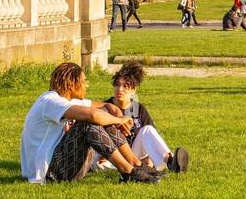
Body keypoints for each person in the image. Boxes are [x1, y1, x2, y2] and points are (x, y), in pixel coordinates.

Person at [20, 62, 162, 184]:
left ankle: (136, 164)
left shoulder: (67, 100)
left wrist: (116, 112)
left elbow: (105, 107)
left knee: (102, 116)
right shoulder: (51, 101)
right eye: (83, 81)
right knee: (88, 123)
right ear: (72, 84)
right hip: (46, 173)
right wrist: (119, 120)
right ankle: (127, 170)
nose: (87, 85)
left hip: (63, 166)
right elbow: (93, 115)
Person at [104, 62, 190, 173]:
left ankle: (171, 161)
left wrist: (148, 157)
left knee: (147, 130)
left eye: (125, 86)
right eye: (117, 84)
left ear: (133, 90)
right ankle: (144, 166)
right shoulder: (106, 107)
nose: (120, 89)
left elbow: (151, 136)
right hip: (112, 155)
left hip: (132, 153)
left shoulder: (137, 108)